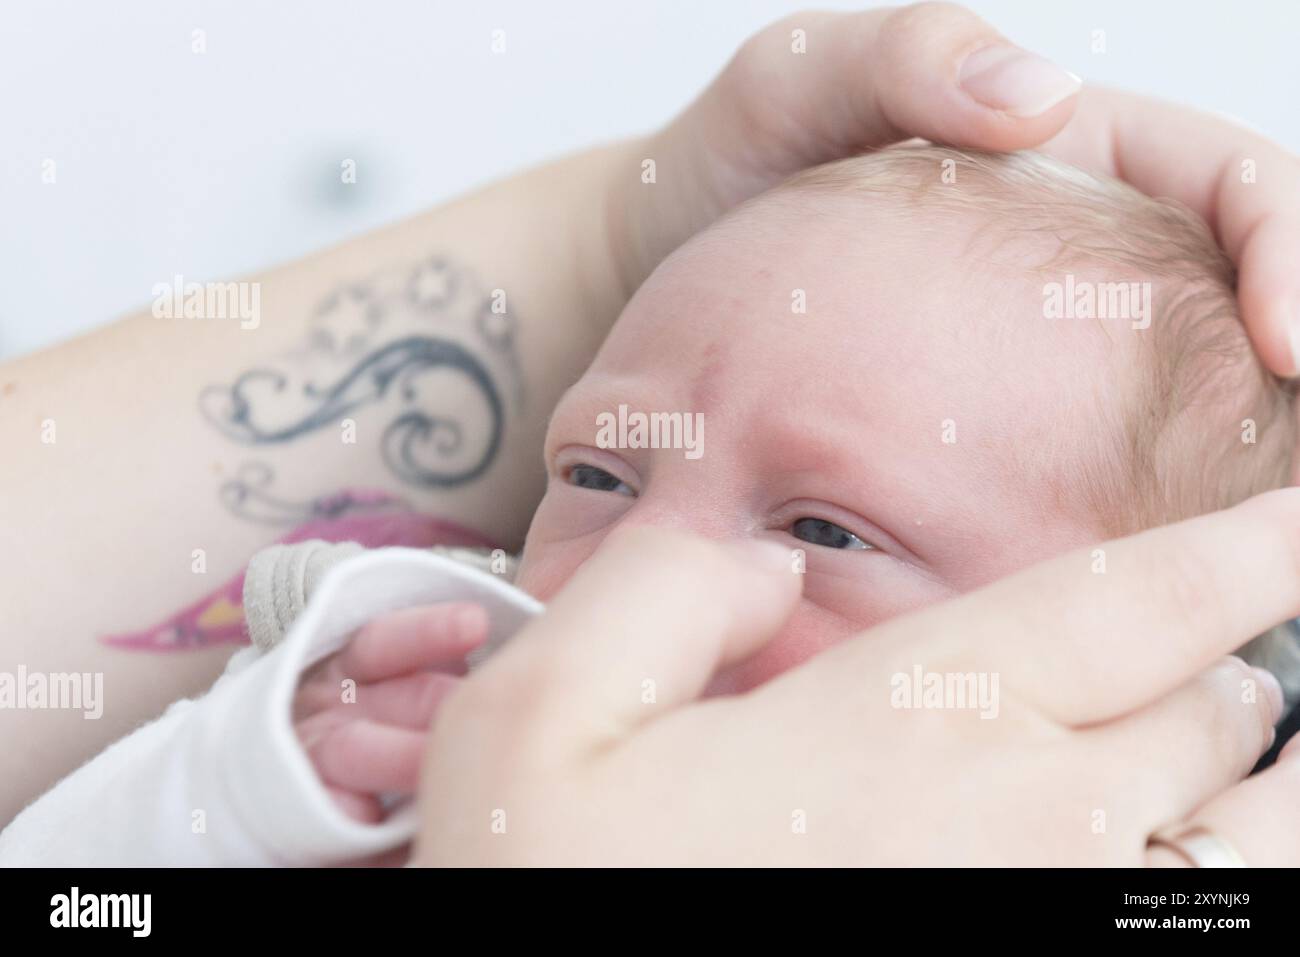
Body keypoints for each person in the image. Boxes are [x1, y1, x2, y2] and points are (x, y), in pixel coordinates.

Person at [2, 4, 1298, 855]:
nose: (634, 567)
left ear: (1159, 657)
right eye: (600, 472)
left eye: (827, 528)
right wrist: (242, 792)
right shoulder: (394, 700)